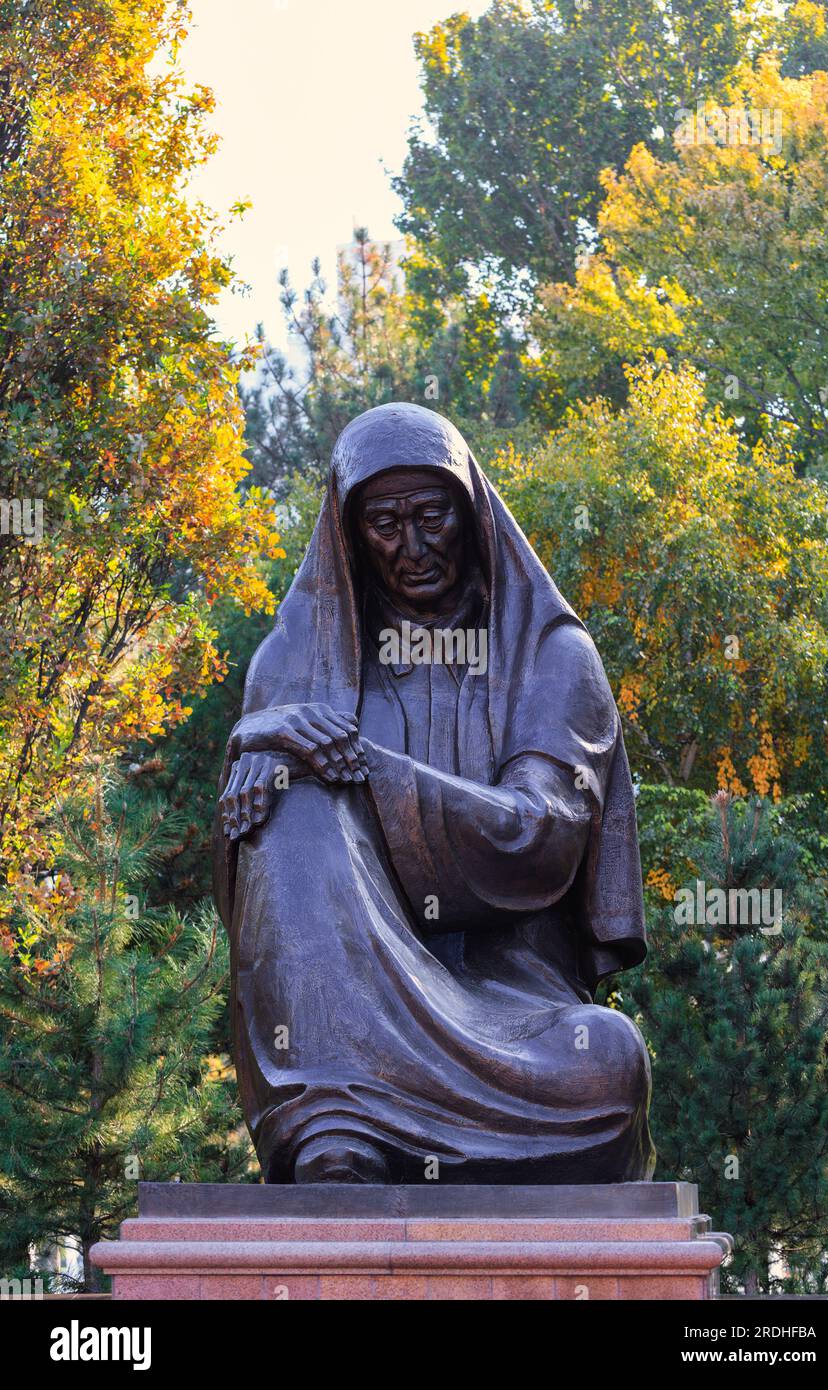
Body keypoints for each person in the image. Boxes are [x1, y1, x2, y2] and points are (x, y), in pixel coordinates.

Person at [214, 402, 654, 1184]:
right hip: (347, 1012)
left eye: (431, 517)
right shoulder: (296, 659)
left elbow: (538, 836)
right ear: (349, 536)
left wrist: (362, 765)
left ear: (472, 516)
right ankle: (337, 1123)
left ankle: (368, 1116)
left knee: (610, 1062)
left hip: (511, 1012)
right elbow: (257, 883)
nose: (413, 548)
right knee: (290, 800)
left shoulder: (552, 656)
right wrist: (271, 753)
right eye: (385, 525)